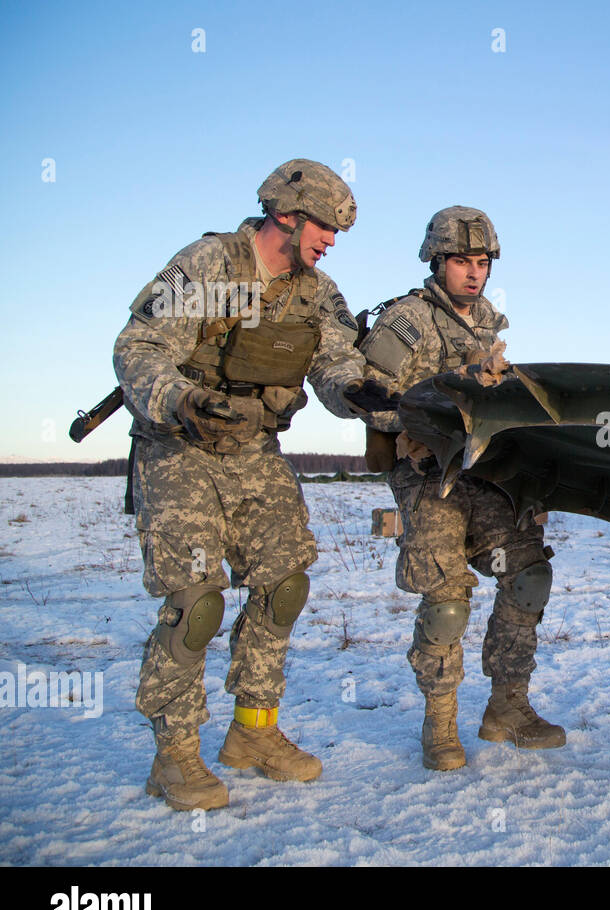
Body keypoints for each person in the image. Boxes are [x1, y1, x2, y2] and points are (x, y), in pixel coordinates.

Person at [115, 159, 388, 811]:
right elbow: (138, 347)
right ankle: (175, 757)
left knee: (285, 583)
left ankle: (253, 733)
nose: (329, 242)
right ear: (288, 216)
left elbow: (334, 363)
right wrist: (180, 398)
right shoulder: (212, 266)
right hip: (180, 445)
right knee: (197, 603)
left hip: (254, 447)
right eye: (323, 227)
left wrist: (357, 391)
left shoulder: (317, 292)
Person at [357, 206, 564, 772]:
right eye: (460, 262)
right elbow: (369, 399)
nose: (473, 273)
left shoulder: (490, 325)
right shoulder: (407, 320)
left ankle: (506, 708)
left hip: (486, 476)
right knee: (447, 604)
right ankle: (440, 725)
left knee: (529, 576)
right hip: (429, 479)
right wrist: (432, 416)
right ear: (436, 261)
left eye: (481, 262)